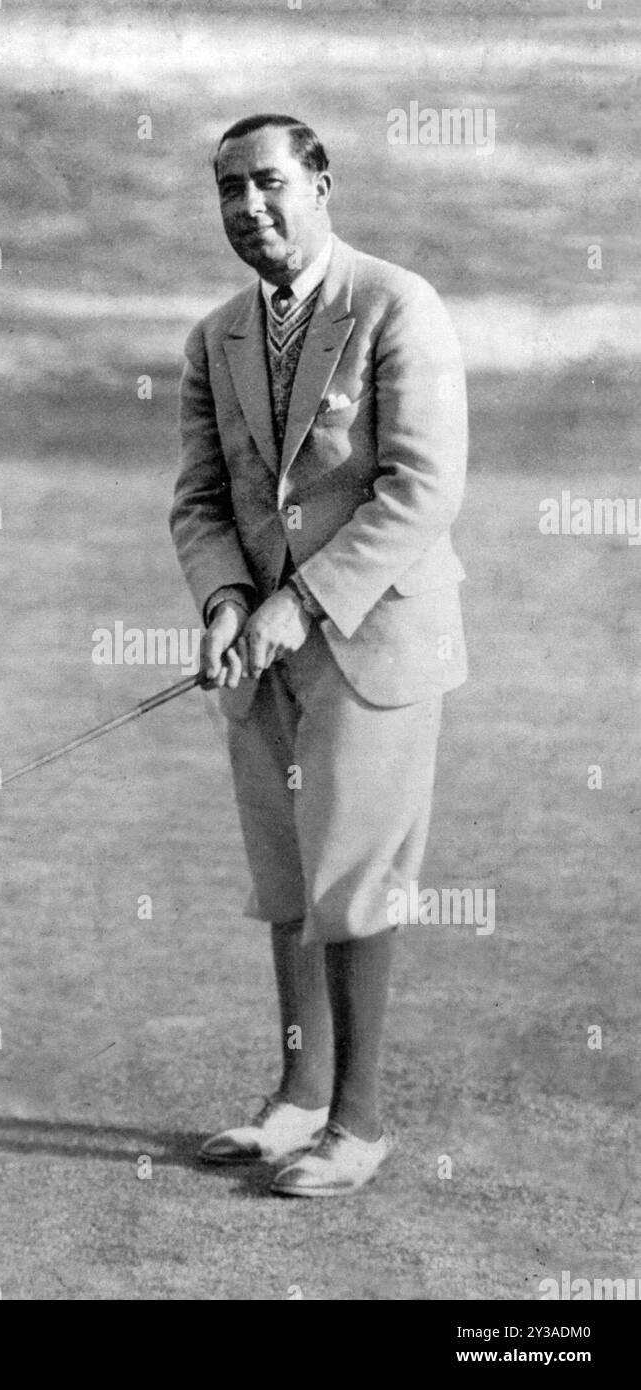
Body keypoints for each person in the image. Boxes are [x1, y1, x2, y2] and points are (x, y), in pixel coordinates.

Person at [169, 113, 468, 1196]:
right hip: (262, 649)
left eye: (268, 184)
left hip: (376, 638)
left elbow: (423, 488)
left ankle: (360, 1121)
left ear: (321, 182)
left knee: (356, 878)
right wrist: (225, 600)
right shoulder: (215, 338)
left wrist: (303, 600)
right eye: (228, 192)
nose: (249, 209)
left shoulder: (398, 304)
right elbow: (202, 502)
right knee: (289, 877)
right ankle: (298, 1099)